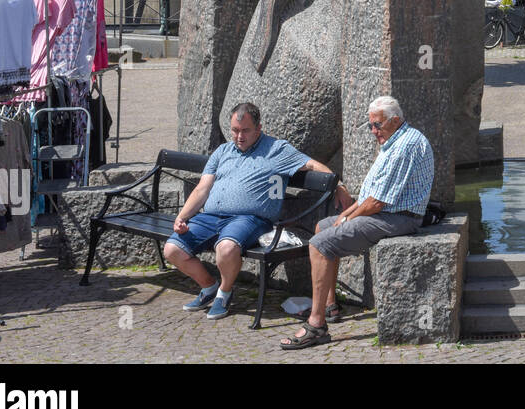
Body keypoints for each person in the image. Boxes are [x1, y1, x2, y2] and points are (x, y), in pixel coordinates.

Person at [280, 96, 434, 349]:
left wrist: (348, 218)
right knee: (322, 227)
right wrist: (345, 215)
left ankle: (316, 325)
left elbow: (377, 204)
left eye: (378, 125)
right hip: (383, 213)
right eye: (371, 125)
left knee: (319, 243)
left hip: (398, 218)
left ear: (395, 120)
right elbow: (368, 197)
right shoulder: (394, 141)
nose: (373, 131)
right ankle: (330, 304)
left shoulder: (406, 144)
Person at [164, 102, 337, 320]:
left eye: (245, 130)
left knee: (226, 249)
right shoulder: (223, 151)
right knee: (172, 249)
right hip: (211, 216)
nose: (239, 136)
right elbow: (202, 188)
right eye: (235, 130)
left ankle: (225, 293)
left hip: (250, 219)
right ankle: (209, 287)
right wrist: (182, 217)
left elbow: (312, 165)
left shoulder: (277, 150)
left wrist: (338, 186)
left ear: (259, 128)